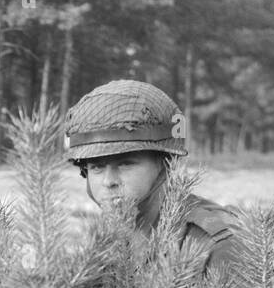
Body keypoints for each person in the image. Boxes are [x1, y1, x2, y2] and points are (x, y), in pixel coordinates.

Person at [63, 79, 240, 276]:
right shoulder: (103, 243)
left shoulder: (217, 243)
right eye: (97, 167)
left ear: (166, 164)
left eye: (125, 164)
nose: (108, 181)